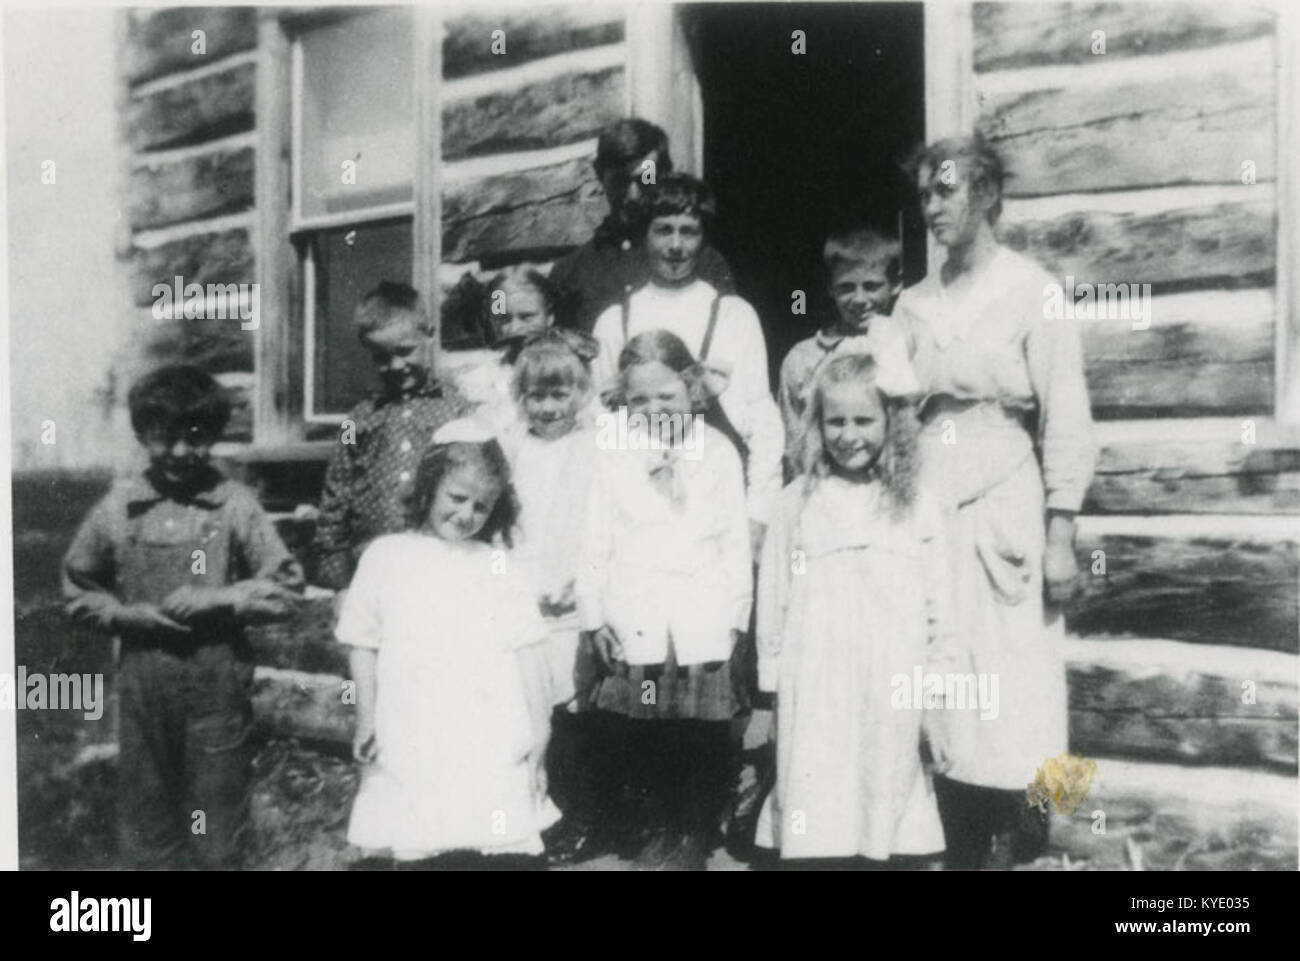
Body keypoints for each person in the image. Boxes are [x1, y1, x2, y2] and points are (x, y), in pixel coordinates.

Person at [894, 134, 1095, 869]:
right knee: (948, 666)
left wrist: (1061, 531)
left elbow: (1066, 414)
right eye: (923, 194)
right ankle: (959, 839)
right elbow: (893, 411)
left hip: (1006, 499)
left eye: (944, 191)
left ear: (986, 197)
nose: (931, 206)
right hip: (931, 501)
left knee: (1023, 674)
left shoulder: (1031, 291)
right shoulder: (912, 303)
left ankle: (1036, 838)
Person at [62, 365, 304, 868]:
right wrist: (131, 617)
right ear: (142, 436)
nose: (177, 453)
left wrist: (222, 598)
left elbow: (286, 589)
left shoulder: (234, 506)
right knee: (148, 830)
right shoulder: (119, 508)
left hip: (216, 693)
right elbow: (79, 589)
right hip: (144, 693)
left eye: (194, 440)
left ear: (213, 438)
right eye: (162, 439)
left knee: (216, 835)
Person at [756, 353, 947, 867]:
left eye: (863, 420)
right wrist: (772, 685)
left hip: (891, 672)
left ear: (890, 423)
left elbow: (939, 605)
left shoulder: (917, 503)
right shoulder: (797, 501)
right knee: (819, 779)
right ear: (816, 426)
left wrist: (935, 692)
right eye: (834, 421)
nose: (848, 434)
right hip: (815, 674)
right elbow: (774, 594)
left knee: (883, 773)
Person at [339, 434, 559, 868]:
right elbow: (362, 642)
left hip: (487, 723)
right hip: (411, 720)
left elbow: (528, 648)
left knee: (489, 831)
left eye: (481, 506)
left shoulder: (496, 563)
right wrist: (366, 717)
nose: (466, 515)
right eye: (457, 498)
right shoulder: (387, 555)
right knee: (420, 834)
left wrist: (541, 727)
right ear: (428, 488)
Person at [575, 330, 752, 869]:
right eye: (639, 400)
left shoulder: (718, 452)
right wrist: (594, 616)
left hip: (700, 620)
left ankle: (693, 829)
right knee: (645, 724)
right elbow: (595, 539)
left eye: (667, 397)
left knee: (698, 731)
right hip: (639, 619)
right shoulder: (614, 456)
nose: (653, 410)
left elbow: (734, 542)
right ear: (622, 402)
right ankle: (651, 828)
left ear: (693, 391)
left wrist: (735, 618)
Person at [590, 171, 783, 553]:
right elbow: (601, 425)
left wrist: (758, 512)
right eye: (664, 230)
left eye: (689, 231)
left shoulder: (732, 315)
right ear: (645, 235)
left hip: (718, 494)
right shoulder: (616, 321)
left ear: (704, 237)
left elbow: (761, 418)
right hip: (639, 503)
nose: (676, 245)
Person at [494, 329, 606, 863]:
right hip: (524, 592)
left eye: (560, 395)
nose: (548, 407)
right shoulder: (516, 450)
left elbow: (598, 523)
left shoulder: (591, 446)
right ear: (521, 399)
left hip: (573, 596)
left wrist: (580, 578)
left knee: (575, 711)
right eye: (537, 396)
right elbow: (508, 525)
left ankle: (582, 817)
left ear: (581, 393)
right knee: (530, 709)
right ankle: (537, 814)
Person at [312, 281, 465, 592]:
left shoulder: (457, 410)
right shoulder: (356, 418)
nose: (395, 365)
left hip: (438, 565)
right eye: (381, 357)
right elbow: (336, 495)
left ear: (429, 335)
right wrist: (338, 582)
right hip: (370, 569)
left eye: (405, 351)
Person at [549, 118, 735, 334]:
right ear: (600, 176)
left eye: (646, 179)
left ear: (664, 174)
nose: (632, 195)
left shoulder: (706, 264)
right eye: (619, 181)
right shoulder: (571, 273)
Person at [778, 226, 916, 476]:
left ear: (896, 284)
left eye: (872, 286)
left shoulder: (909, 348)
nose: (860, 299)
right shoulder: (803, 358)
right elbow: (795, 447)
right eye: (846, 288)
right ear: (830, 288)